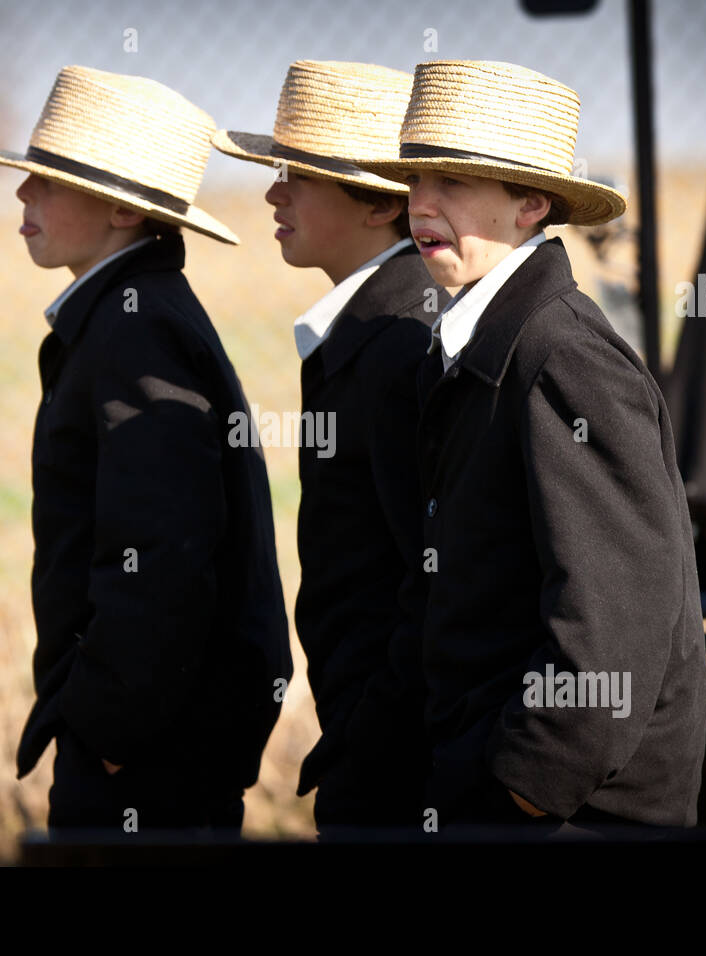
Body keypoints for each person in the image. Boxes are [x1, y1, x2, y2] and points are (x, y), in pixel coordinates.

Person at [359, 60, 706, 831]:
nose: (422, 201)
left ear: (531, 202)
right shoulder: (470, 345)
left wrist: (526, 786)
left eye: (453, 179)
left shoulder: (566, 359)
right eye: (414, 179)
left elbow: (615, 616)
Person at [0, 65, 291, 834]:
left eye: (47, 181)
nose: (22, 195)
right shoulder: (128, 314)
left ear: (119, 206)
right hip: (153, 740)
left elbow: (165, 552)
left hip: (152, 755)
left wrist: (111, 728)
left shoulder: (138, 328)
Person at [213, 61, 444, 834]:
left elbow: (433, 578)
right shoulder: (370, 330)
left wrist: (365, 745)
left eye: (298, 175)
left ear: (380, 200)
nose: (273, 193)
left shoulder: (400, 346)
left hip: (404, 765)